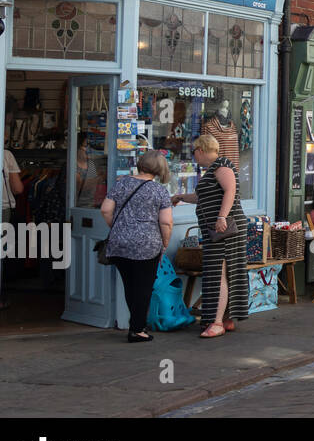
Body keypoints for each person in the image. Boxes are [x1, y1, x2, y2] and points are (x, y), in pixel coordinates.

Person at [171, 135, 249, 338]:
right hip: (216, 229)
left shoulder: (222, 166)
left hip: (224, 229)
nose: (193, 156)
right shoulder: (211, 171)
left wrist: (222, 216)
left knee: (220, 272)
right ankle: (226, 318)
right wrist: (180, 197)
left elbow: (230, 190)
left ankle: (216, 323)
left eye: (194, 151)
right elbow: (201, 197)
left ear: (201, 150)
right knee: (225, 271)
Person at [101, 151, 173, 343]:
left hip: (119, 243)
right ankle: (137, 329)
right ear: (159, 169)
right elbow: (166, 223)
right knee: (143, 287)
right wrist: (165, 243)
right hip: (147, 244)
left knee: (130, 285)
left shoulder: (121, 183)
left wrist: (118, 228)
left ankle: (136, 323)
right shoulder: (159, 191)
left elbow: (105, 209)